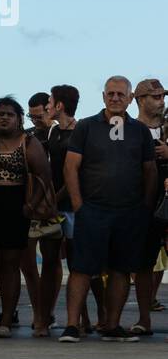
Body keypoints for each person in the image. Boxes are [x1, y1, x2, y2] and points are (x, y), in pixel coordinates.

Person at [59, 76, 158, 343]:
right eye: (111, 94)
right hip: (92, 210)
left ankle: (112, 325)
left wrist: (145, 207)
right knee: (81, 268)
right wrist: (79, 205)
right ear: (103, 96)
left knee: (121, 269)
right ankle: (71, 326)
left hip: (130, 212)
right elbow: (70, 167)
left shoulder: (140, 132)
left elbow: (150, 171)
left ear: (129, 99)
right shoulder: (87, 127)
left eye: (120, 94)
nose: (115, 98)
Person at [0, 97, 51, 337]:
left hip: (16, 206)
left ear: (19, 118)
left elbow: (43, 175)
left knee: (9, 266)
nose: (4, 117)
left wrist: (31, 205)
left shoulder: (28, 142)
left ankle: (6, 320)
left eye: (10, 114)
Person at [38, 84, 88, 335]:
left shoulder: (80, 131)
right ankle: (47, 316)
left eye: (50, 101)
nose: (47, 105)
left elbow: (75, 173)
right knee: (50, 261)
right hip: (53, 206)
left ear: (59, 105)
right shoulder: (53, 133)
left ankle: (84, 318)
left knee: (80, 263)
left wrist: (55, 199)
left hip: (71, 206)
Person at [132, 78, 167, 335]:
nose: (161, 101)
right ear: (140, 99)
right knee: (143, 265)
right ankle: (144, 320)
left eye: (162, 96)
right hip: (141, 205)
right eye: (155, 97)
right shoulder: (129, 129)